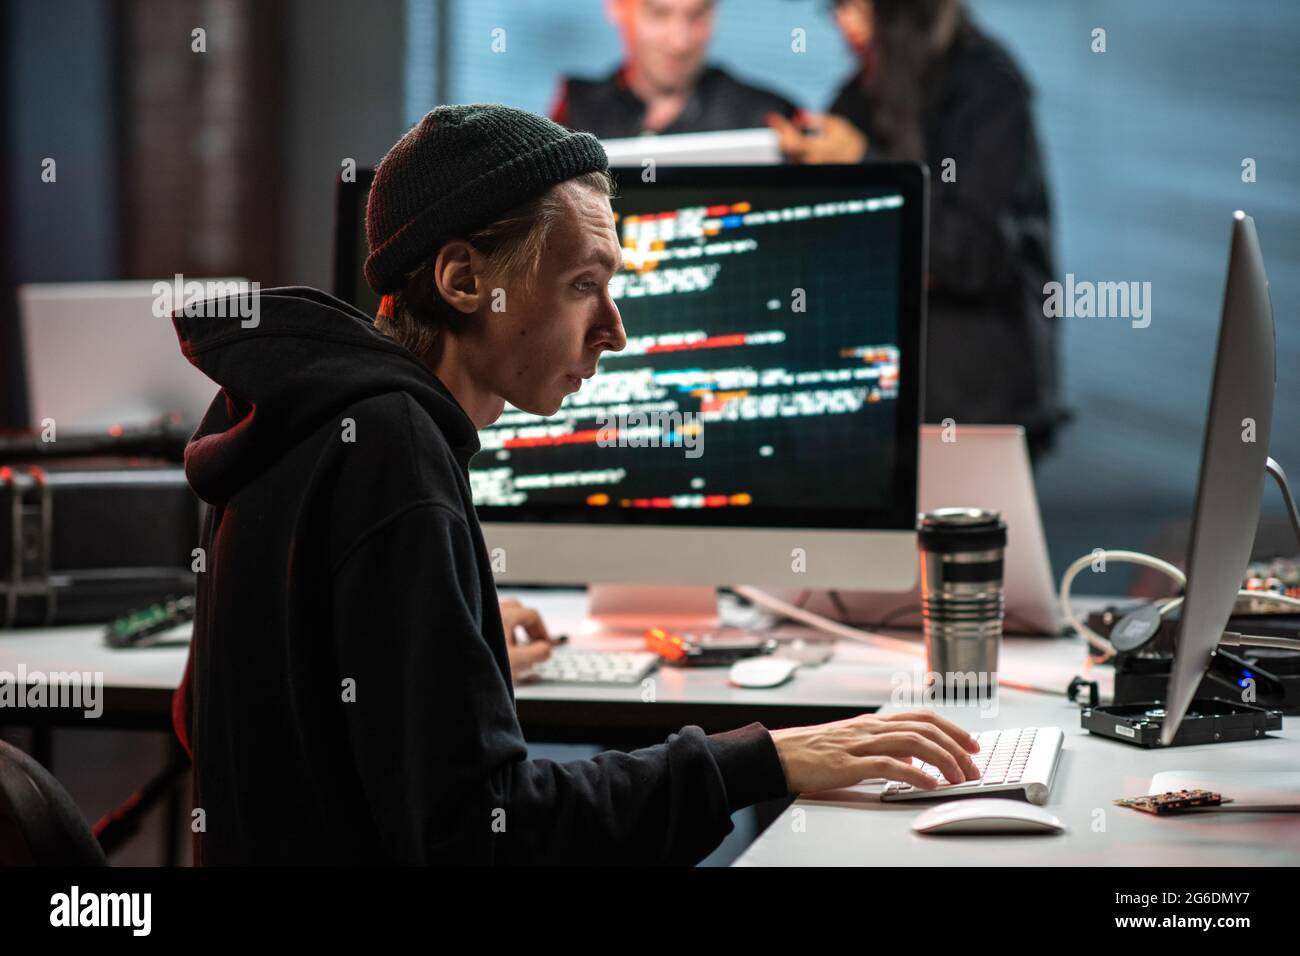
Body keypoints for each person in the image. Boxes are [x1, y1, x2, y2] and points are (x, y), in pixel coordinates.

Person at [170, 104, 980, 865]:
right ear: (461, 280)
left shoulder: (291, 412)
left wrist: (449, 665)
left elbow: (207, 712)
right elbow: (491, 836)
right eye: (583, 285)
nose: (616, 330)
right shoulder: (391, 449)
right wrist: (758, 761)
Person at [768, 0, 1065, 459]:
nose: (846, 22)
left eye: (859, 7)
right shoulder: (864, 93)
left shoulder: (988, 91)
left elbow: (973, 253)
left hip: (976, 406)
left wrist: (860, 164)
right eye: (838, 7)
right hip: (883, 401)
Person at [551, 0, 801, 138]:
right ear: (616, 7)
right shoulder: (574, 109)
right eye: (659, 14)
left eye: (697, 15)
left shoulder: (768, 117)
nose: (679, 42)